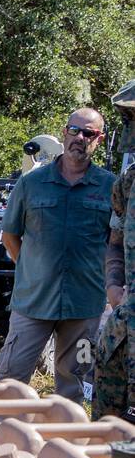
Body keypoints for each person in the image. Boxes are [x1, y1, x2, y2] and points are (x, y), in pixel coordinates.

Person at [0, 108, 115, 402]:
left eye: (89, 133)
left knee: (73, 381)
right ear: (64, 132)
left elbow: (116, 243)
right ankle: (2, 440)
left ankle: (64, 442)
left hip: (85, 305)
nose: (80, 138)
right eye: (75, 130)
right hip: (33, 300)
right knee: (10, 377)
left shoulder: (111, 187)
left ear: (99, 140)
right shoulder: (32, 183)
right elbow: (10, 235)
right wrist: (31, 268)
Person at [94, 160, 134, 419]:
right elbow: (115, 242)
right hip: (122, 327)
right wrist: (113, 285)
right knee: (109, 429)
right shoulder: (128, 181)